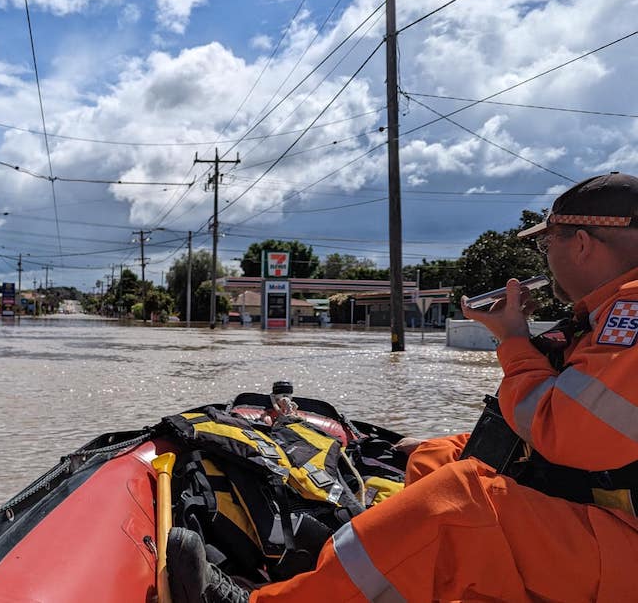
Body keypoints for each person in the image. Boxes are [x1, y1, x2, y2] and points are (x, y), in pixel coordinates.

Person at [167, 172, 638, 603]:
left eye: (546, 244)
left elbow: (566, 432)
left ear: (579, 243)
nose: (546, 259)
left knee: (459, 498)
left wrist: (514, 341)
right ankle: (373, 562)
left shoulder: (629, 314)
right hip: (600, 506)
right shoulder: (602, 315)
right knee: (436, 456)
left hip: (625, 545)